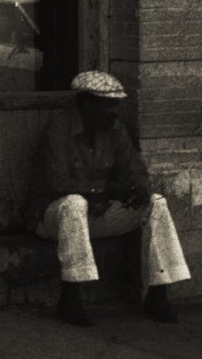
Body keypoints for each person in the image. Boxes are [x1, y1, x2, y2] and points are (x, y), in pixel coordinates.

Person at [30, 69, 190, 327]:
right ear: (86, 103)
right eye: (107, 105)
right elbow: (56, 183)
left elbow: (136, 172)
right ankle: (70, 297)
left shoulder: (116, 130)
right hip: (53, 219)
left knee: (156, 203)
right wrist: (104, 190)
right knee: (74, 204)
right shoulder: (59, 128)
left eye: (115, 104)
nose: (114, 112)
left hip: (98, 214)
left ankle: (158, 295)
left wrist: (139, 190)